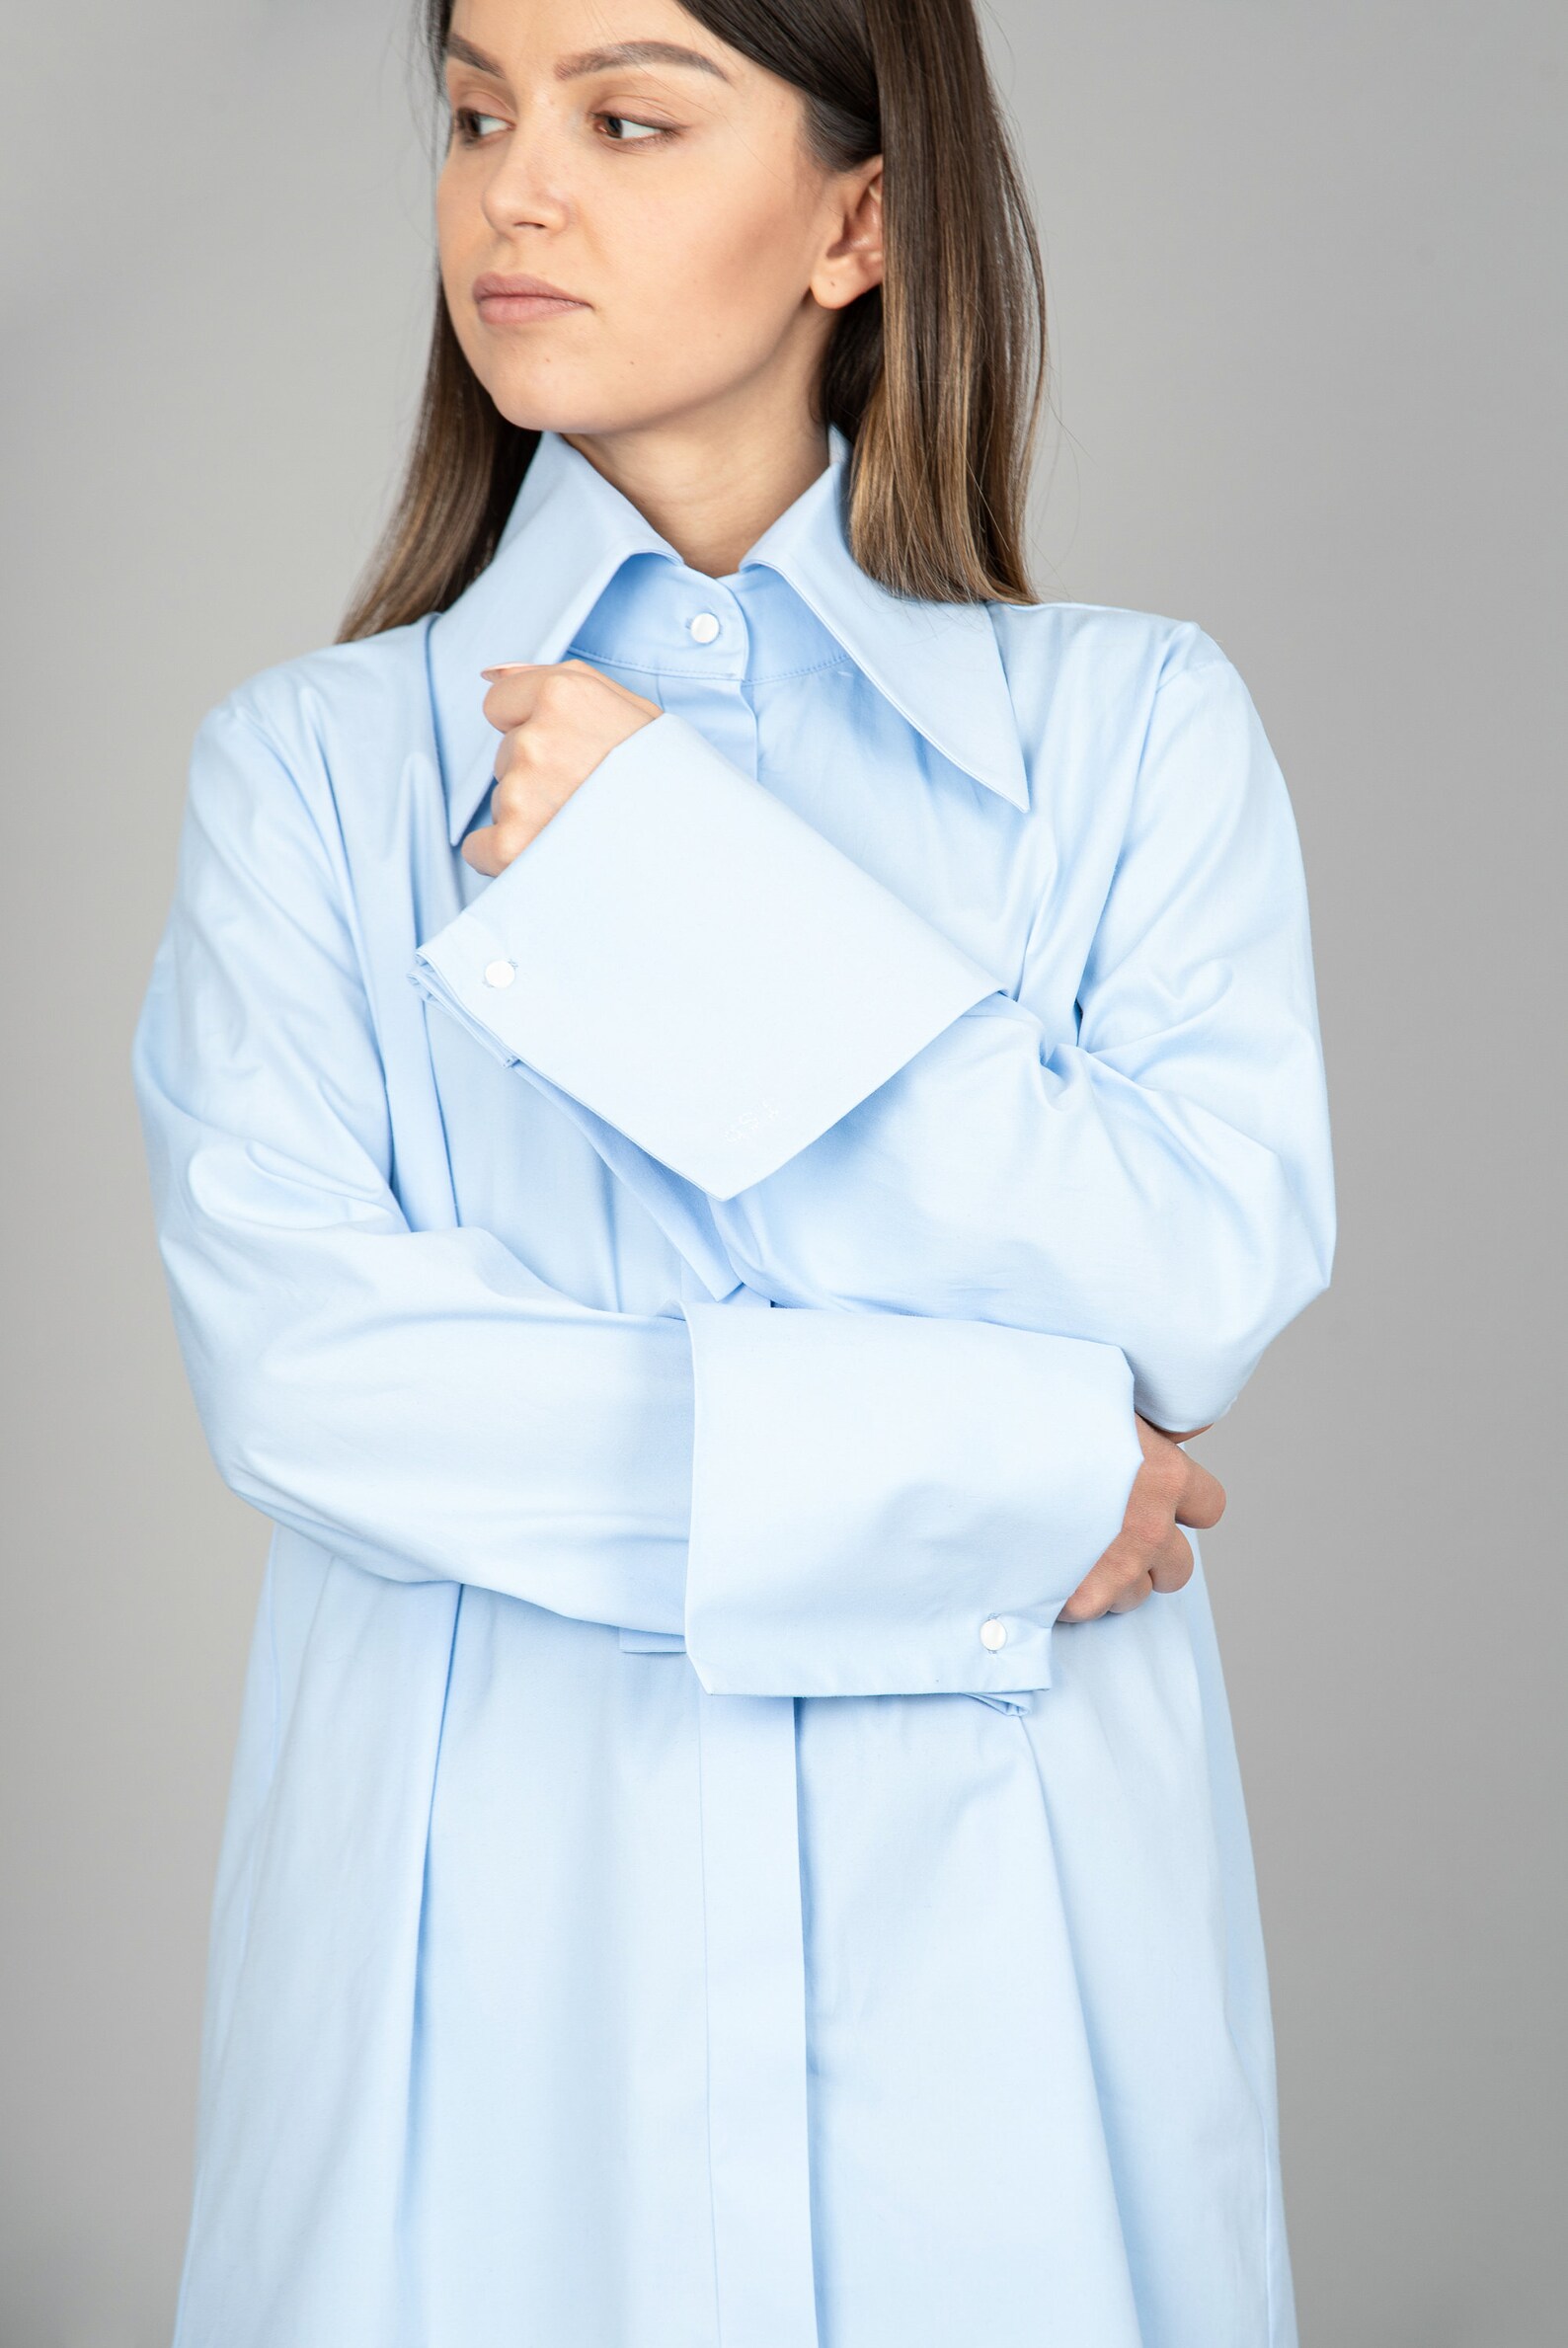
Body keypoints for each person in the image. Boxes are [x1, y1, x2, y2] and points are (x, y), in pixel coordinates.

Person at [129, 0, 1336, 2340]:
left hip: (998, 1963)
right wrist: (994, 1469)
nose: (515, 188)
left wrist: (706, 908)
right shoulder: (305, 771)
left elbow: (1198, 1275)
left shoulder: (1124, 732)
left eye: (627, 116)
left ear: (857, 219)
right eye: (477, 112)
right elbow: (319, 1377)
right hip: (470, 1964)